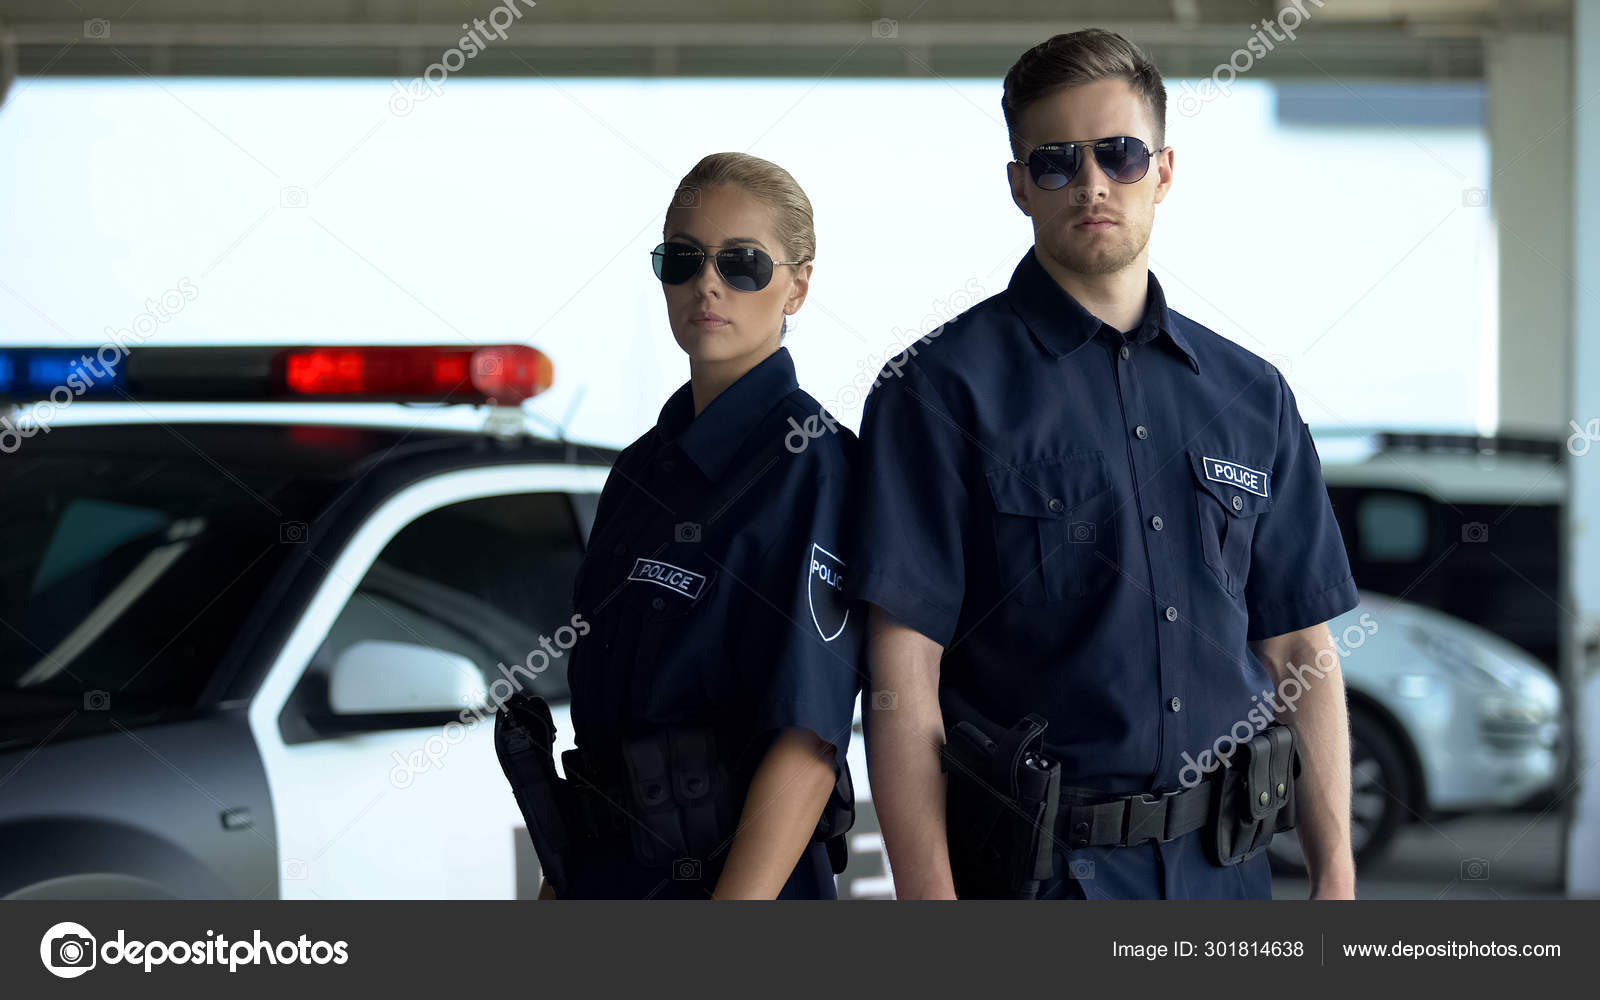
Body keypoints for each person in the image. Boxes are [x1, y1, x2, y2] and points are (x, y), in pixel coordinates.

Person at [846, 29, 1360, 900]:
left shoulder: (1252, 395)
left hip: (1228, 878)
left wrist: (1337, 875)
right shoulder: (935, 392)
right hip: (1040, 883)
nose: (1091, 184)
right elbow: (903, 671)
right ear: (1018, 185)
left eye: (1120, 155)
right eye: (1056, 162)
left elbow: (1300, 648)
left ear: (1163, 172)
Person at [535, 152, 863, 899]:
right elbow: (604, 746)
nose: (706, 284)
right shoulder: (639, 474)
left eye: (743, 263)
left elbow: (807, 741)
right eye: (682, 260)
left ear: (798, 286)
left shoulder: (813, 469)